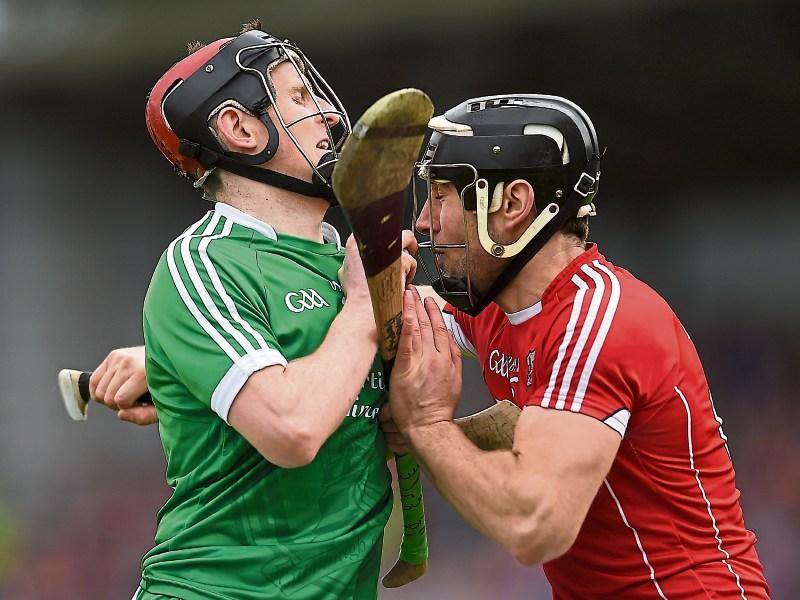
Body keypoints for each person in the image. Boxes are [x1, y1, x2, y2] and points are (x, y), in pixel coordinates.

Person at [382, 94, 771, 598]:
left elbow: (534, 525)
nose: (423, 222)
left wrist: (428, 427)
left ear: (513, 205)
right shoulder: (505, 307)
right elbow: (404, 311)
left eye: (441, 196)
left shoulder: (600, 320)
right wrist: (361, 282)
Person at [110, 20, 415, 600]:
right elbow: (292, 429)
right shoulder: (205, 262)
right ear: (240, 129)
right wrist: (362, 307)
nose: (331, 116)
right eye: (300, 98)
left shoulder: (346, 264)